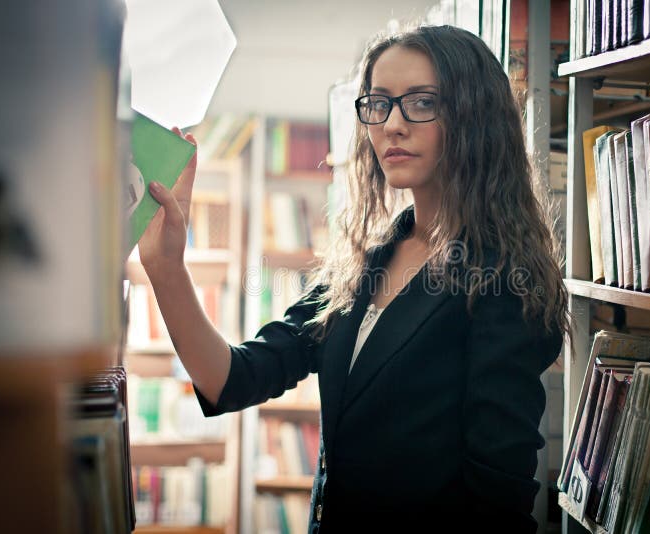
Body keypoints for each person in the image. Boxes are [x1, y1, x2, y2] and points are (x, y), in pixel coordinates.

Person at [139, 24, 569, 533]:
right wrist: (166, 269)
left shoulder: (504, 279)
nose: (393, 124)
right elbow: (234, 379)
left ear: (475, 117)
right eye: (380, 103)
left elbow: (498, 503)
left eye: (422, 102)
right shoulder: (365, 262)